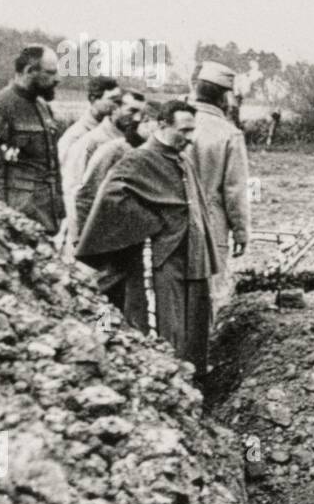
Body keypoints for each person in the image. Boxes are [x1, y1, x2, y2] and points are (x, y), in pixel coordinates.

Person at [75, 101, 219, 374]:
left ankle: (194, 377)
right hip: (163, 257)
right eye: (183, 130)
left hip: (191, 255)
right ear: (162, 125)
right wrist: (151, 223)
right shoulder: (138, 159)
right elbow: (111, 198)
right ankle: (167, 376)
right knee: (167, 323)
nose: (189, 138)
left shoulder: (183, 159)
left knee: (194, 321)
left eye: (192, 131)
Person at [0, 45, 66, 235]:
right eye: (50, 73)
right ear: (30, 71)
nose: (57, 79)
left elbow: (52, 166)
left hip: (46, 217)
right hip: (16, 221)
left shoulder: (43, 107)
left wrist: (60, 209)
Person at [188, 62, 250, 307]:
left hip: (173, 224)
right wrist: (241, 230)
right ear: (225, 96)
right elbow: (234, 190)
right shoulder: (229, 134)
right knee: (210, 292)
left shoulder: (173, 125)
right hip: (212, 223)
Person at [62, 88, 145, 244]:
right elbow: (75, 192)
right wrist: (79, 239)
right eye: (132, 111)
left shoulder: (132, 142)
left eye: (141, 113)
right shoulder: (91, 141)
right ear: (115, 109)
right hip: (91, 233)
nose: (137, 118)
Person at [73, 107, 155, 243]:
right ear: (145, 121)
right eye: (160, 127)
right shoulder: (114, 150)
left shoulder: (154, 154)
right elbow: (87, 195)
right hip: (105, 236)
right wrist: (83, 238)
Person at [56, 75, 119, 169]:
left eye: (119, 101)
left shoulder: (115, 131)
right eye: (112, 100)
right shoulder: (75, 136)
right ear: (93, 99)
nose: (117, 105)